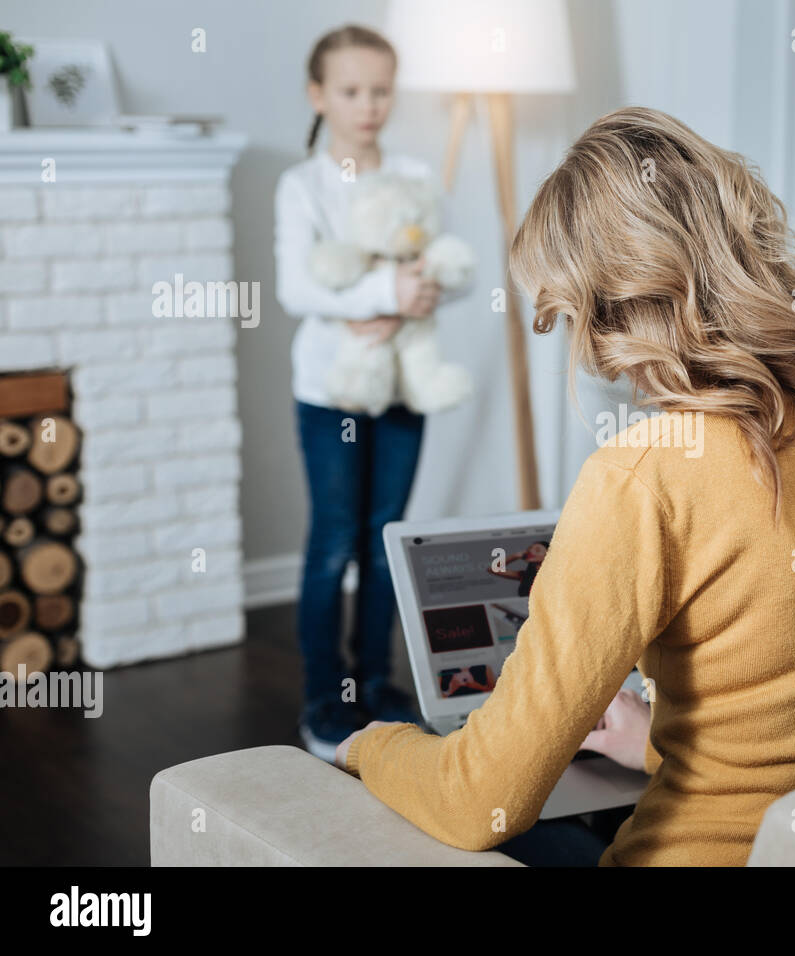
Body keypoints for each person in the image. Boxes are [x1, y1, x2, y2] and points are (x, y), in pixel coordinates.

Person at [335, 106, 795, 866]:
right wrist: (656, 745)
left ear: (607, 312)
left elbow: (479, 798)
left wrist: (374, 745)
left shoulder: (643, 478)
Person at [274, 25, 469, 759]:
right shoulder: (303, 186)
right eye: (352, 91)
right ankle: (325, 698)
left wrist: (423, 291)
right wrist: (384, 287)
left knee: (387, 539)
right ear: (318, 95)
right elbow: (298, 286)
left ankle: (375, 683)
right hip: (331, 393)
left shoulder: (416, 171)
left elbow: (452, 267)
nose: (369, 105)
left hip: (401, 390)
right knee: (333, 544)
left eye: (381, 90)